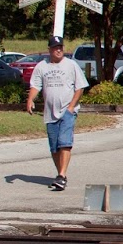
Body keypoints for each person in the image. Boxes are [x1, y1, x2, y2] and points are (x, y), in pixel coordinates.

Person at [26, 36, 88, 191]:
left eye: (60, 47)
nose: (58, 50)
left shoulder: (71, 65)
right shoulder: (42, 66)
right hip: (49, 113)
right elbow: (35, 86)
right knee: (54, 148)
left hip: (68, 111)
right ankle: (61, 175)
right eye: (55, 47)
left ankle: (61, 175)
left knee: (64, 142)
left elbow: (80, 87)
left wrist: (71, 107)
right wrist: (30, 100)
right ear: (50, 50)